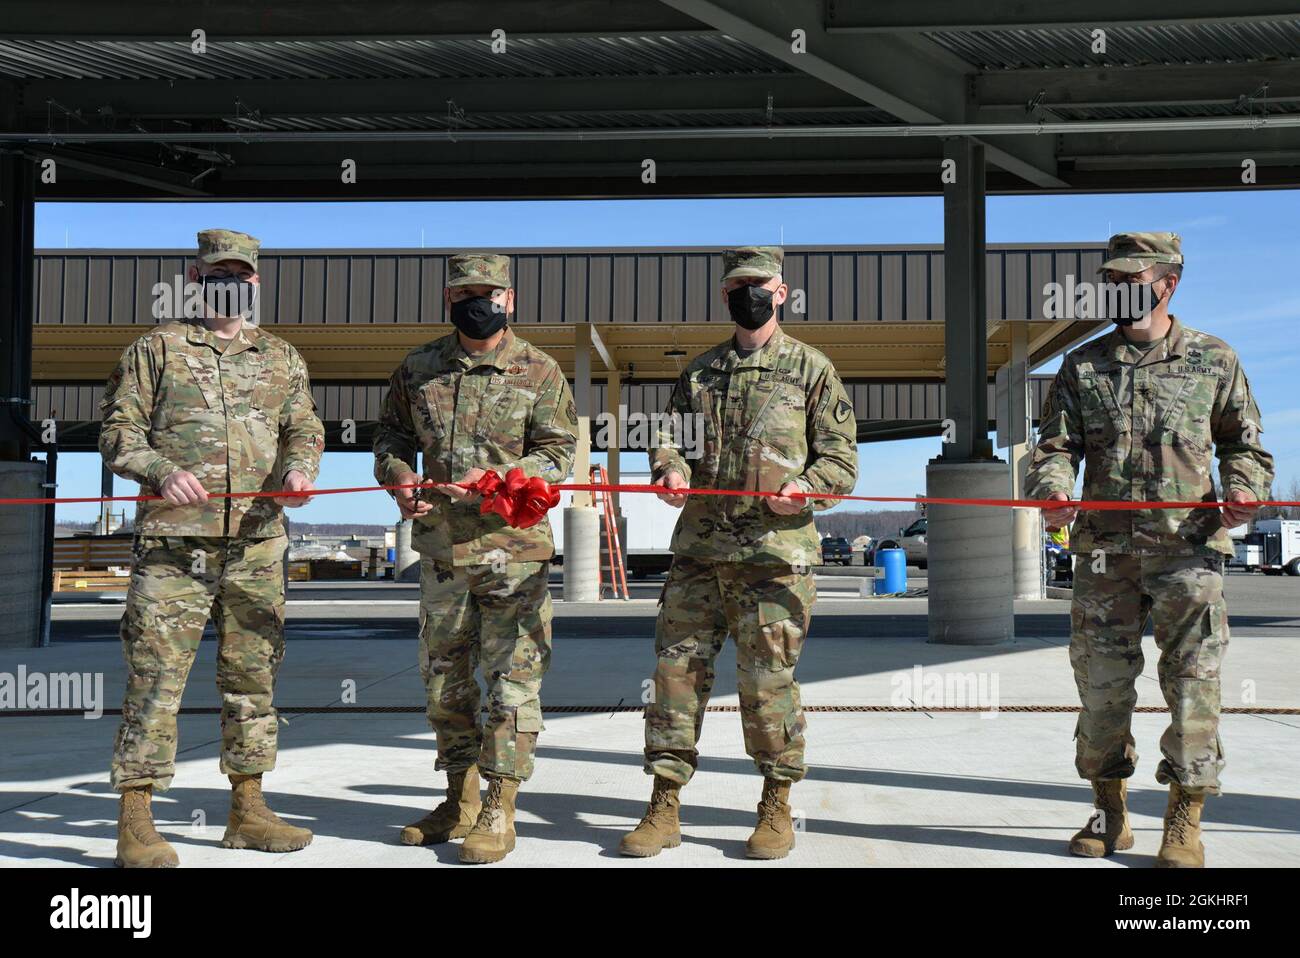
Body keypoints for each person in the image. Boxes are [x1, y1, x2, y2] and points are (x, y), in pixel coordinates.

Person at [1026, 231, 1274, 867]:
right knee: (1102, 687)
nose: (1119, 289)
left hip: (1187, 552)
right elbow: (1055, 447)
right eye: (1112, 278)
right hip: (1105, 556)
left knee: (1193, 684)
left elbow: (1244, 444)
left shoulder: (1215, 359)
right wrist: (1054, 492)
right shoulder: (1083, 365)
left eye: (1131, 278)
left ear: (1168, 283)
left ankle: (1184, 816)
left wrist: (1244, 494)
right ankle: (1110, 811)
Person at [621, 246, 859, 860]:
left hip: (774, 556)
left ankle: (776, 804)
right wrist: (668, 468)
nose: (747, 294)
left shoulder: (811, 370)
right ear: (725, 295)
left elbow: (840, 460)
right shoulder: (700, 373)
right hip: (701, 552)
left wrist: (808, 488)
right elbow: (670, 437)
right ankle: (664, 803)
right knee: (675, 675)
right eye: (737, 285)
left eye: (759, 284)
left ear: (782, 292)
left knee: (767, 682)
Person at [101, 228, 324, 867]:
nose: (231, 281)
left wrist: (298, 471)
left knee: (253, 678)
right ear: (194, 279)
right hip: (175, 544)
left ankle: (249, 809)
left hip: (255, 543)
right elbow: (118, 433)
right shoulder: (157, 350)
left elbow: (303, 426)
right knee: (156, 678)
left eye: (242, 273)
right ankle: (136, 819)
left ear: (254, 283)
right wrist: (158, 468)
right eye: (217, 271)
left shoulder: (282, 357)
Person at [373, 253, 577, 864]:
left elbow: (559, 450)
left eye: (488, 292)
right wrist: (400, 474)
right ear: (447, 298)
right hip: (440, 553)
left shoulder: (538, 370)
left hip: (512, 553)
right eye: (464, 292)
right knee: (445, 683)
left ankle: (500, 805)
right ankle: (458, 797)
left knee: (512, 680)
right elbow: (390, 436)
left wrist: (501, 477)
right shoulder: (419, 368)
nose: (477, 302)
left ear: (509, 299)